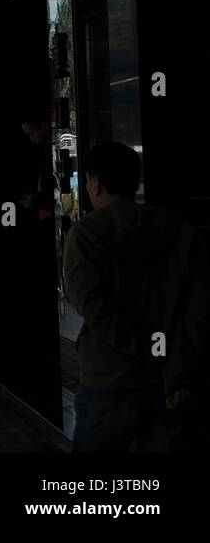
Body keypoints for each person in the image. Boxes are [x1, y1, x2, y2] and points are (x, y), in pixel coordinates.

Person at [64, 143, 207, 453]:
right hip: (168, 382)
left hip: (107, 378)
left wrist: (143, 351)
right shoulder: (180, 231)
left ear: (95, 183)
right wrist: (174, 369)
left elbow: (95, 310)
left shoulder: (86, 235)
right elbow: (195, 312)